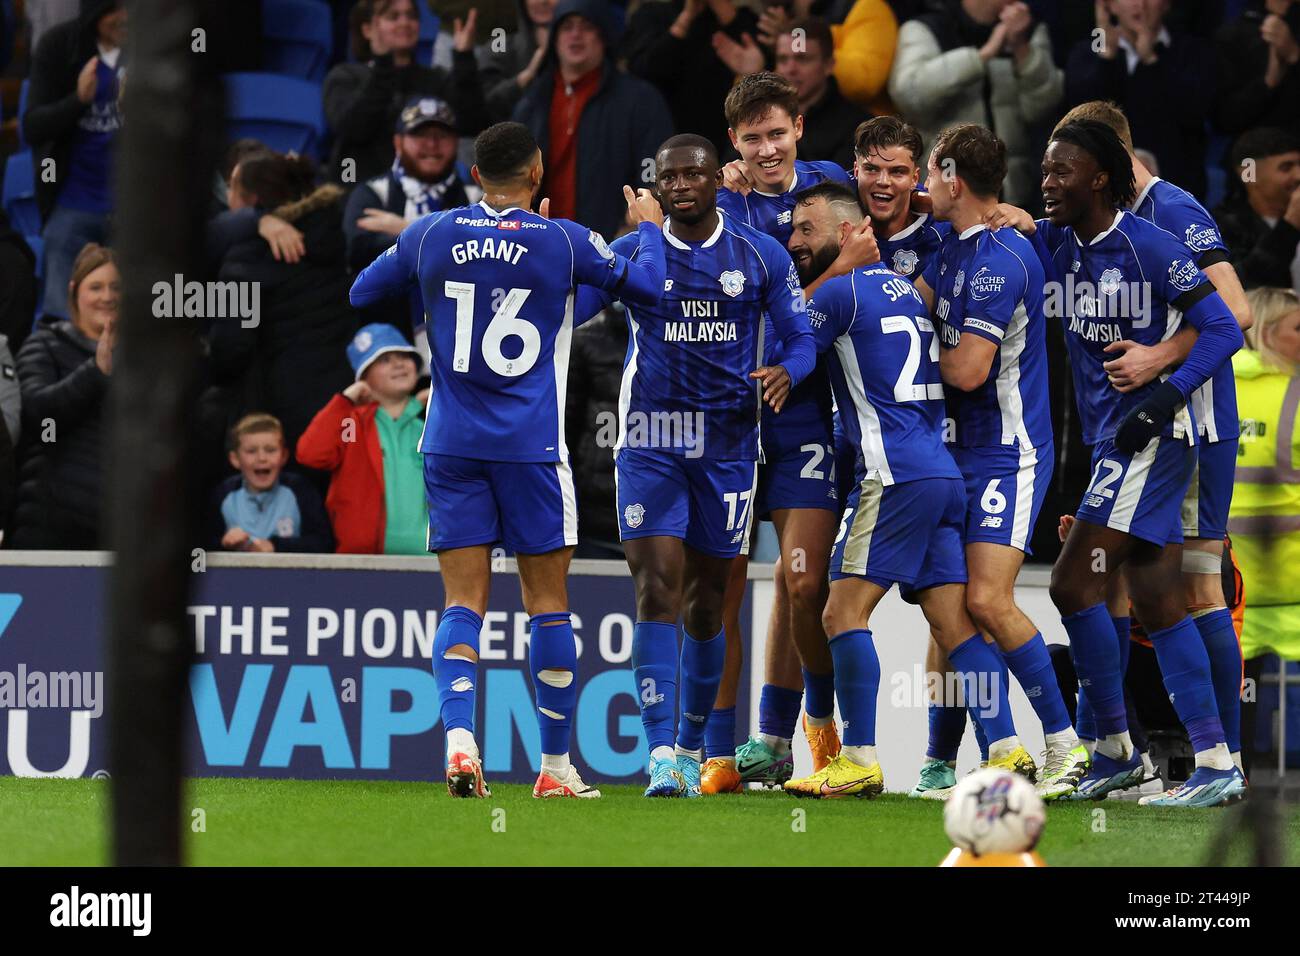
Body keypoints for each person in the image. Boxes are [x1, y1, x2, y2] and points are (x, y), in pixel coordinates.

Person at [348, 121, 667, 800]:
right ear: (538, 172)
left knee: (462, 602)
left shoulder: (432, 233)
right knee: (548, 602)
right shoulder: (563, 240)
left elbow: (360, 293)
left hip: (452, 445)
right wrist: (648, 231)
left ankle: (460, 740)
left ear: (473, 171)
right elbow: (646, 290)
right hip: (532, 450)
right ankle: (553, 768)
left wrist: (438, 278)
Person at [577, 133, 815, 798]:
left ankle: (691, 747)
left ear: (719, 179)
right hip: (651, 440)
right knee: (657, 585)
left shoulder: (758, 255)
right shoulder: (633, 250)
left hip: (729, 448)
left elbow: (799, 336)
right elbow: (573, 313)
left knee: (708, 607)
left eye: (694, 173)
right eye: (669, 176)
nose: (681, 184)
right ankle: (660, 755)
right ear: (656, 185)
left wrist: (786, 372)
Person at [782, 182, 1025, 797]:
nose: (793, 240)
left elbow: (790, 343)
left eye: (806, 229)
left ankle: (859, 757)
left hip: (891, 474)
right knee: (953, 622)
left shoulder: (839, 292)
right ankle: (1007, 746)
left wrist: (780, 373)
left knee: (841, 610)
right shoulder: (907, 291)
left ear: (845, 233)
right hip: (939, 471)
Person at [1030, 121, 1246, 806]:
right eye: (1044, 170)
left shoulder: (1152, 245)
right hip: (1110, 442)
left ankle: (1113, 747)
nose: (1048, 182)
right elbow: (989, 220)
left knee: (1072, 585)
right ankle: (1215, 764)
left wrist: (1164, 397)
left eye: (1062, 171)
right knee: (1157, 599)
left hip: (1151, 439)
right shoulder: (1056, 243)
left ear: (1100, 176)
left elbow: (1224, 327)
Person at [892, 123, 1084, 799]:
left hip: (1007, 451)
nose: (917, 187)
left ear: (952, 176)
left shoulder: (1004, 258)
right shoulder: (948, 239)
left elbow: (970, 371)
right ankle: (942, 763)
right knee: (949, 609)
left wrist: (899, 367)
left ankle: (1066, 745)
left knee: (984, 599)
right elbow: (910, 211)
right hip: (950, 452)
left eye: (928, 175)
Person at [709, 72, 854, 794]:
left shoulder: (832, 186)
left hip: (806, 409)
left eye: (777, 133)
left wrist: (1005, 212)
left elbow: (912, 195)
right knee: (725, 585)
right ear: (732, 139)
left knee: (804, 583)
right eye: (752, 137)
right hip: (730, 413)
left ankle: (816, 731)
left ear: (799, 126)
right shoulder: (717, 197)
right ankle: (736, 745)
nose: (767, 149)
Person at [208, 151, 359, 458]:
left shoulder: (244, 261)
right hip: (344, 401)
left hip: (281, 411)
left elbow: (229, 353)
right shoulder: (333, 235)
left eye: (232, 189)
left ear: (248, 200)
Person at [512, 0, 673, 240]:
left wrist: (632, 231)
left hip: (613, 251)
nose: (576, 35)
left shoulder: (641, 100)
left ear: (603, 35)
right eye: (567, 27)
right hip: (541, 248)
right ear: (554, 39)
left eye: (586, 26)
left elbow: (657, 172)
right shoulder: (532, 102)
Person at [888, 0, 1062, 209]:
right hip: (945, 197)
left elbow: (1042, 107)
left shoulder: (1027, 29)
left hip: (1018, 194)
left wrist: (1022, 48)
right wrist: (981, 57)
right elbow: (909, 96)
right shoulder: (925, 29)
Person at [22, 0, 126, 319]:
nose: (124, 18)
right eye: (114, 10)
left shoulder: (154, 48)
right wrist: (78, 100)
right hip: (73, 199)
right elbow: (33, 127)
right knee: (59, 314)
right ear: (93, 13)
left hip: (137, 206)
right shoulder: (59, 45)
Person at [344, 97, 482, 332]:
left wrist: (405, 229)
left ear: (457, 142)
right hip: (388, 339)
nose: (432, 144)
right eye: (420, 134)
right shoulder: (373, 193)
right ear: (398, 142)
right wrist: (450, 238)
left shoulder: (476, 196)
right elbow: (359, 252)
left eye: (442, 135)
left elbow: (487, 257)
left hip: (463, 335)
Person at [11, 243, 117, 549]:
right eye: (95, 287)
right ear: (74, 291)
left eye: (116, 287)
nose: (107, 296)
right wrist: (96, 371)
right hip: (50, 527)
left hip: (124, 532)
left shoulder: (145, 360)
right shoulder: (44, 344)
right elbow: (38, 415)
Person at [296, 324, 431, 555]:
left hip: (431, 560)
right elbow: (311, 454)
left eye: (404, 356)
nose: (398, 363)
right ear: (364, 376)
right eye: (384, 360)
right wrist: (344, 401)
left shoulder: (429, 424)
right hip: (365, 562)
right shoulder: (352, 426)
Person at [324, 0, 489, 187]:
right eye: (393, 17)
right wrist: (383, 66)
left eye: (411, 16)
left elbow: (471, 124)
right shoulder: (345, 77)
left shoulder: (435, 78)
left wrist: (464, 59)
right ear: (368, 30)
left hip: (430, 196)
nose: (405, 23)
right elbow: (355, 129)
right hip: (361, 192)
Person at [1231, 288, 1300, 728]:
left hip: (1231, 584)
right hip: (1292, 580)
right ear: (1270, 332)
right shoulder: (1296, 391)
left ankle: (1236, 780)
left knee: (1240, 693)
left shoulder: (1215, 385)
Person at [1065, 0, 1215, 201]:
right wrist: (1107, 57)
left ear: (1166, 4)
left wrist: (1151, 60)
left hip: (1178, 184)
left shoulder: (1192, 50)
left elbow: (1193, 112)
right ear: (1109, 6)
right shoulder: (1089, 51)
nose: (1140, 5)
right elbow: (1081, 118)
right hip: (1102, 189)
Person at [623, 0, 760, 157]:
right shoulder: (652, 14)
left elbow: (766, 70)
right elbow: (643, 70)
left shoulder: (742, 18)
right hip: (666, 135)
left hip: (728, 139)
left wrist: (725, 11)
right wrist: (686, 18)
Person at [209, 413, 334, 554]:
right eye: (251, 451)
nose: (262, 458)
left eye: (270, 450)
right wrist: (224, 543)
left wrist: (275, 546)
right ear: (235, 459)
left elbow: (323, 543)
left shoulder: (300, 490)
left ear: (284, 456)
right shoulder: (223, 494)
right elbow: (200, 548)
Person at [774, 17, 869, 170]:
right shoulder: (760, 117)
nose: (790, 69)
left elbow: (836, 189)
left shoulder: (859, 128)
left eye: (802, 59)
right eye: (783, 59)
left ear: (828, 65)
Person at [1214, 127, 1300, 291]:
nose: (1298, 175)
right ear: (1249, 173)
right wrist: (1290, 227)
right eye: (1286, 167)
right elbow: (1237, 286)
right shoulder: (1220, 226)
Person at [1214, 0, 1300, 139]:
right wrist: (1268, 83)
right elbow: (1225, 120)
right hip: (1254, 149)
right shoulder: (1232, 35)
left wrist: (1294, 55)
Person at [477, 0, 556, 122]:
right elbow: (484, 108)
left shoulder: (588, 50)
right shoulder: (500, 47)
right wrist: (526, 77)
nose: (542, 1)